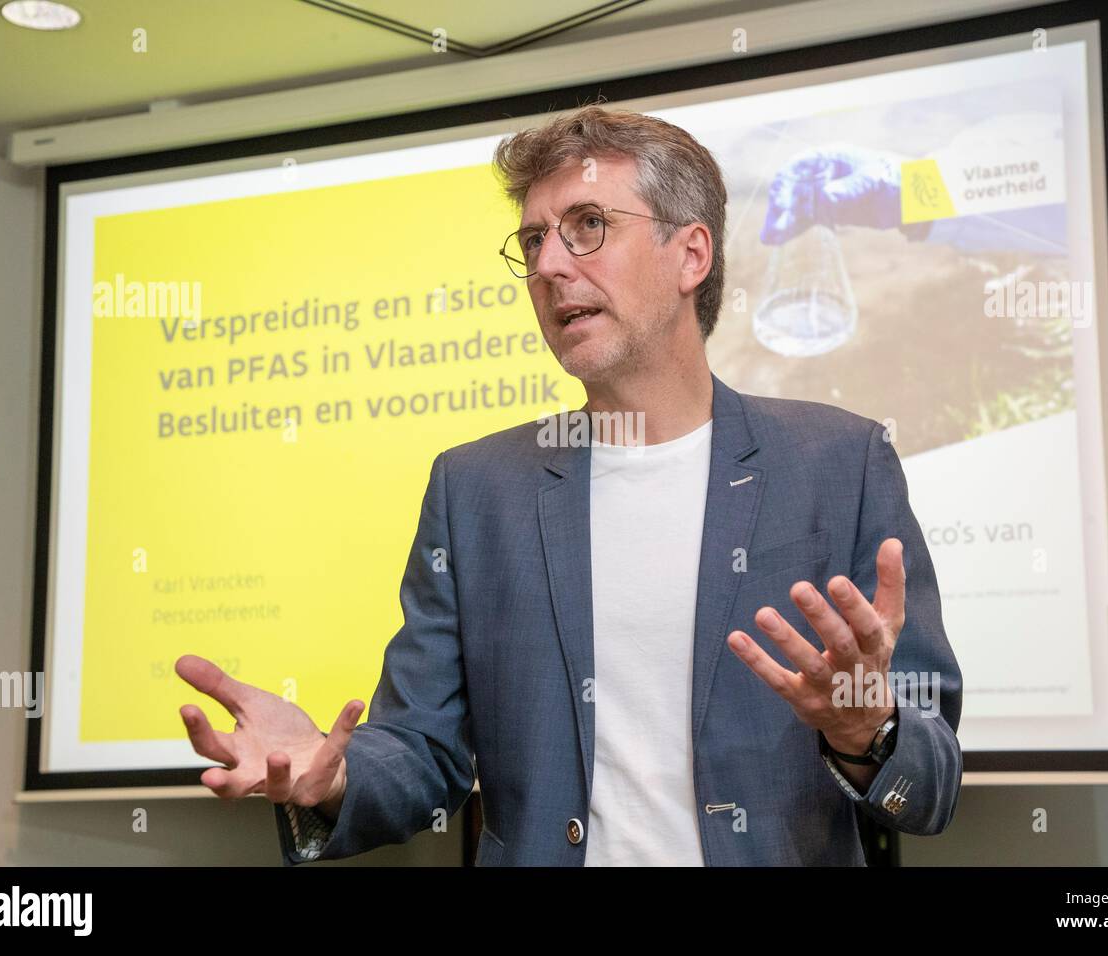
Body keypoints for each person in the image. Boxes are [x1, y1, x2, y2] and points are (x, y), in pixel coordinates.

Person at [176, 104, 963, 866]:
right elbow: (422, 753)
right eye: (534, 239)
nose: (550, 264)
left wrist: (871, 733)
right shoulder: (476, 490)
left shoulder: (838, 462)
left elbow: (931, 791)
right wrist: (334, 776)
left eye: (589, 226)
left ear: (692, 254)